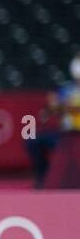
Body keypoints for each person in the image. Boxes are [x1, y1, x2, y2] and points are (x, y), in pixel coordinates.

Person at [24, 52, 80, 188]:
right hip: (66, 136)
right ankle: (43, 178)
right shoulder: (66, 89)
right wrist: (56, 106)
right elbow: (50, 109)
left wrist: (69, 107)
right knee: (33, 141)